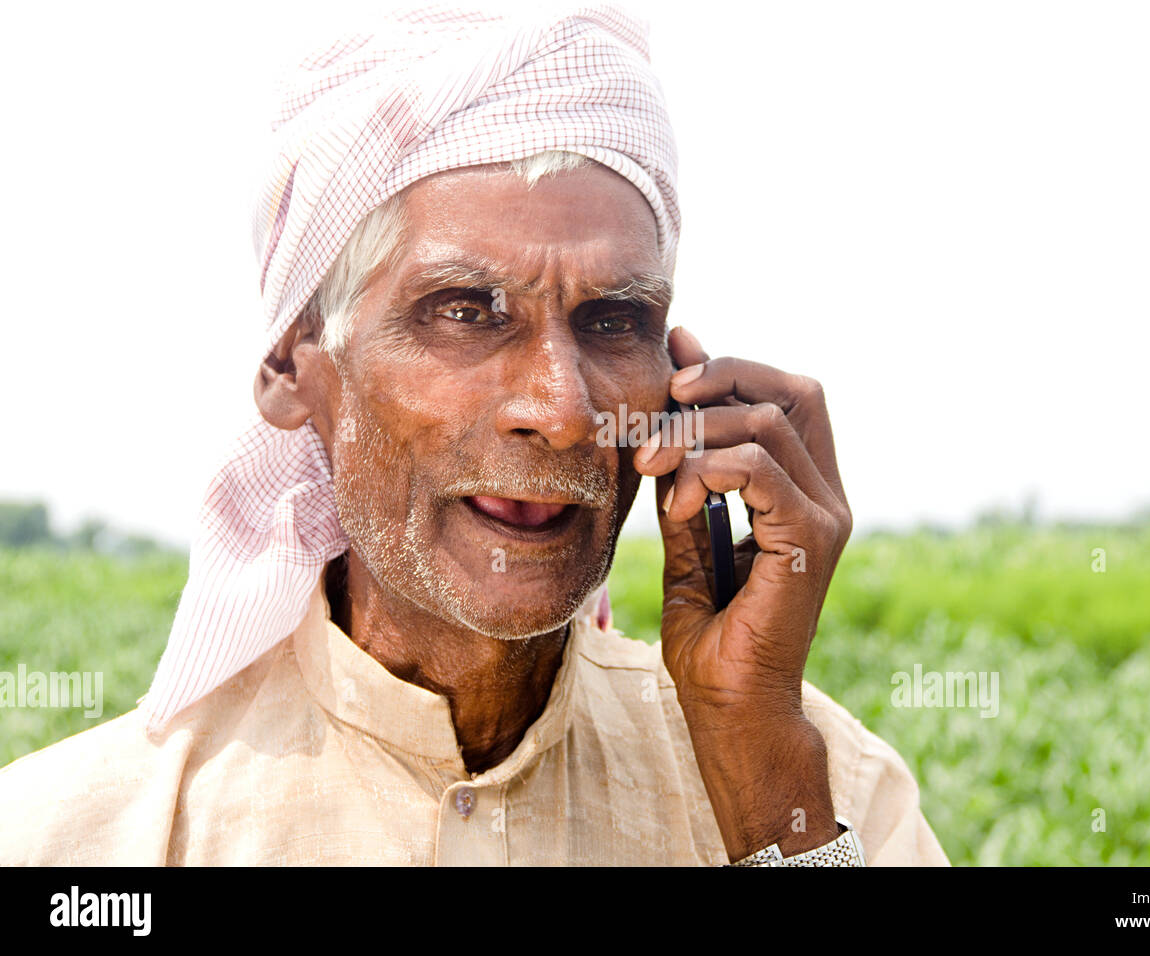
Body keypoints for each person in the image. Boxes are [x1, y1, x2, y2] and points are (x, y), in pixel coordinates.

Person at [0, 3, 947, 866]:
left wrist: (763, 785)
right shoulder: (85, 841)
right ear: (296, 363)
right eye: (465, 312)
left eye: (613, 318)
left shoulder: (819, 791)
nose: (564, 407)